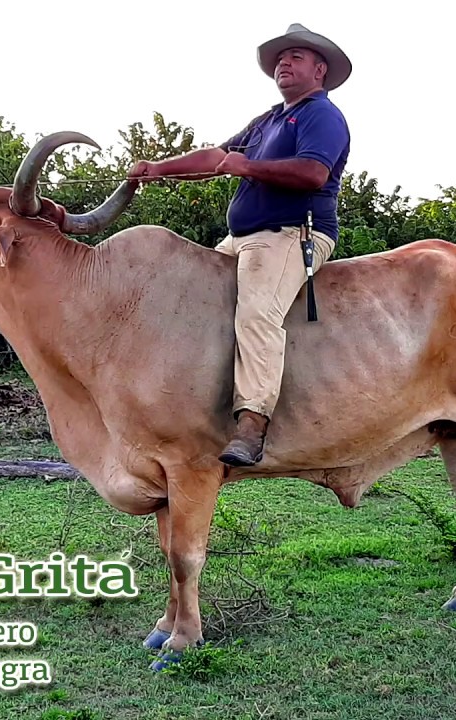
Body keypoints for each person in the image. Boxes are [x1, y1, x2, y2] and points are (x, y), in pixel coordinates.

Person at [128, 24, 352, 467]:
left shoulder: (321, 115)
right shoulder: (269, 119)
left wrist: (246, 166)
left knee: (256, 314)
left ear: (319, 70)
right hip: (242, 239)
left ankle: (252, 424)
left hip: (291, 234)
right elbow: (216, 157)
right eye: (280, 58)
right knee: (190, 299)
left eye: (296, 57)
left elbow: (313, 174)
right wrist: (158, 168)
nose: (284, 63)